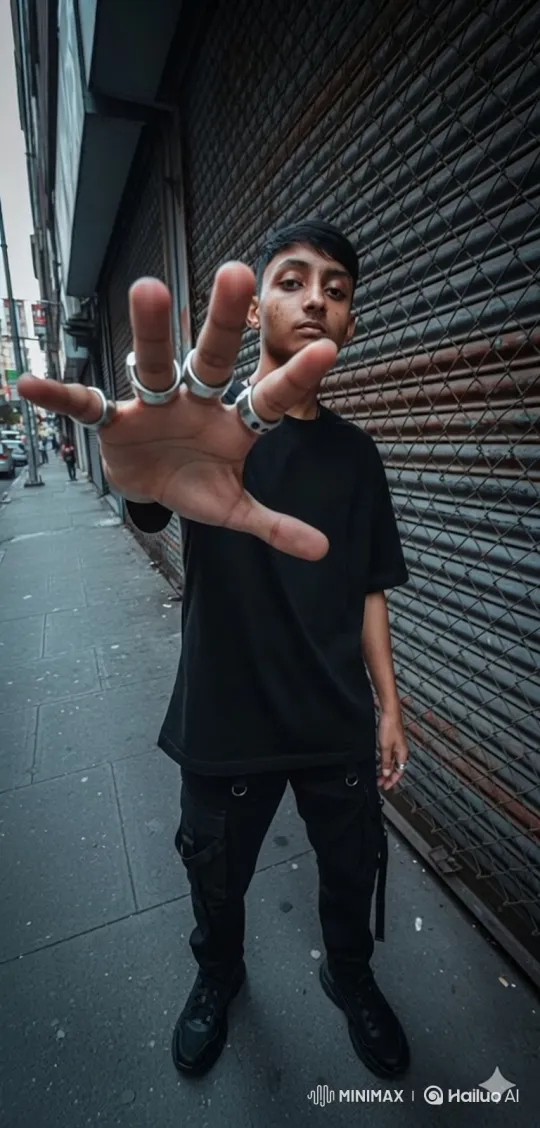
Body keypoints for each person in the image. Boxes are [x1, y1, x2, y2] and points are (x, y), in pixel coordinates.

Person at [18, 220, 410, 1082]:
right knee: (215, 877)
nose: (316, 298)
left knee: (353, 873)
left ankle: (351, 978)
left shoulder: (356, 455)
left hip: (334, 720)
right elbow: (160, 502)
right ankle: (217, 977)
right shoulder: (205, 433)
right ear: (258, 302)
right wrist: (148, 476)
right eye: (294, 280)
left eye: (337, 289)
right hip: (224, 719)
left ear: (349, 321)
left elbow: (370, 585)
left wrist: (390, 707)